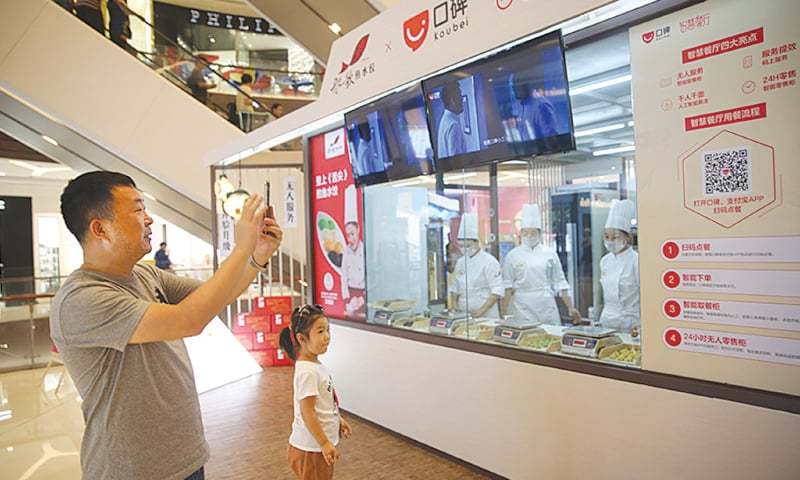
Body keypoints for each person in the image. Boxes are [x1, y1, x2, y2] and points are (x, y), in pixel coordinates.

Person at [50, 171, 282, 480]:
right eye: (137, 209)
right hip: (132, 471)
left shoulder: (146, 275)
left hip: (186, 458)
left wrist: (257, 256)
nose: (148, 219)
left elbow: (215, 295)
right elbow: (189, 320)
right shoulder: (81, 299)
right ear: (100, 228)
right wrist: (241, 249)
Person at [279, 304, 353, 480]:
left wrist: (338, 419)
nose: (327, 337)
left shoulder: (314, 366)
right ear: (302, 339)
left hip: (316, 447)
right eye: (320, 332)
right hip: (311, 449)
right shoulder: (307, 372)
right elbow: (307, 412)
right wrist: (325, 443)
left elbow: (323, 402)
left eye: (327, 330)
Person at [501, 204, 580, 326]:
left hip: (545, 303)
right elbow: (507, 287)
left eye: (533, 233)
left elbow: (560, 282)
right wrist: (504, 313)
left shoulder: (549, 253)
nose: (529, 236)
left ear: (539, 233)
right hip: (521, 305)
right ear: (521, 233)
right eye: (526, 233)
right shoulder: (513, 255)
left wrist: (570, 307)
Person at [448, 213, 504, 318]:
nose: (464, 249)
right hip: (463, 310)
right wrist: (454, 307)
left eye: (468, 245)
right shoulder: (460, 262)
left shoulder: (489, 262)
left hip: (485, 311)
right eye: (461, 246)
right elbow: (454, 287)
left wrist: (482, 310)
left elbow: (497, 289)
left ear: (476, 242)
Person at [598, 199, 640, 332]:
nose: (609, 241)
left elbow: (646, 296)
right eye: (606, 236)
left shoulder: (636, 260)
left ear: (627, 237)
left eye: (615, 237)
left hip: (630, 322)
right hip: (607, 320)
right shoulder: (605, 261)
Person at [340, 186, 366, 319]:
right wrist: (347, 300)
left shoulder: (365, 250)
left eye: (353, 234)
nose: (351, 238)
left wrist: (363, 298)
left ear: (358, 230)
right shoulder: (346, 251)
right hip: (350, 295)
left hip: (364, 295)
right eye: (348, 235)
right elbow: (343, 276)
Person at [510, 74, 559, 142]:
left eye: (516, 84)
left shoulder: (541, 105)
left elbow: (552, 138)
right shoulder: (521, 106)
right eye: (512, 85)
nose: (513, 88)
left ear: (527, 84)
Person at [436, 81, 467, 158]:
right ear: (452, 101)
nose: (462, 102)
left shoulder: (444, 120)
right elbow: (457, 162)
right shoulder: (453, 125)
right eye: (460, 98)